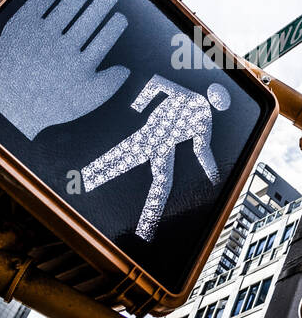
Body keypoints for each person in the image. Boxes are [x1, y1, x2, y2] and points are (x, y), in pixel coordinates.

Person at [81, 76, 230, 240]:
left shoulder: (192, 100)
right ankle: (85, 181)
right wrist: (138, 105)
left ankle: (144, 232)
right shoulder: (202, 114)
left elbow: (156, 82)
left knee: (145, 172)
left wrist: (139, 105)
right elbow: (202, 150)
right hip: (156, 136)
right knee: (125, 160)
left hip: (161, 141)